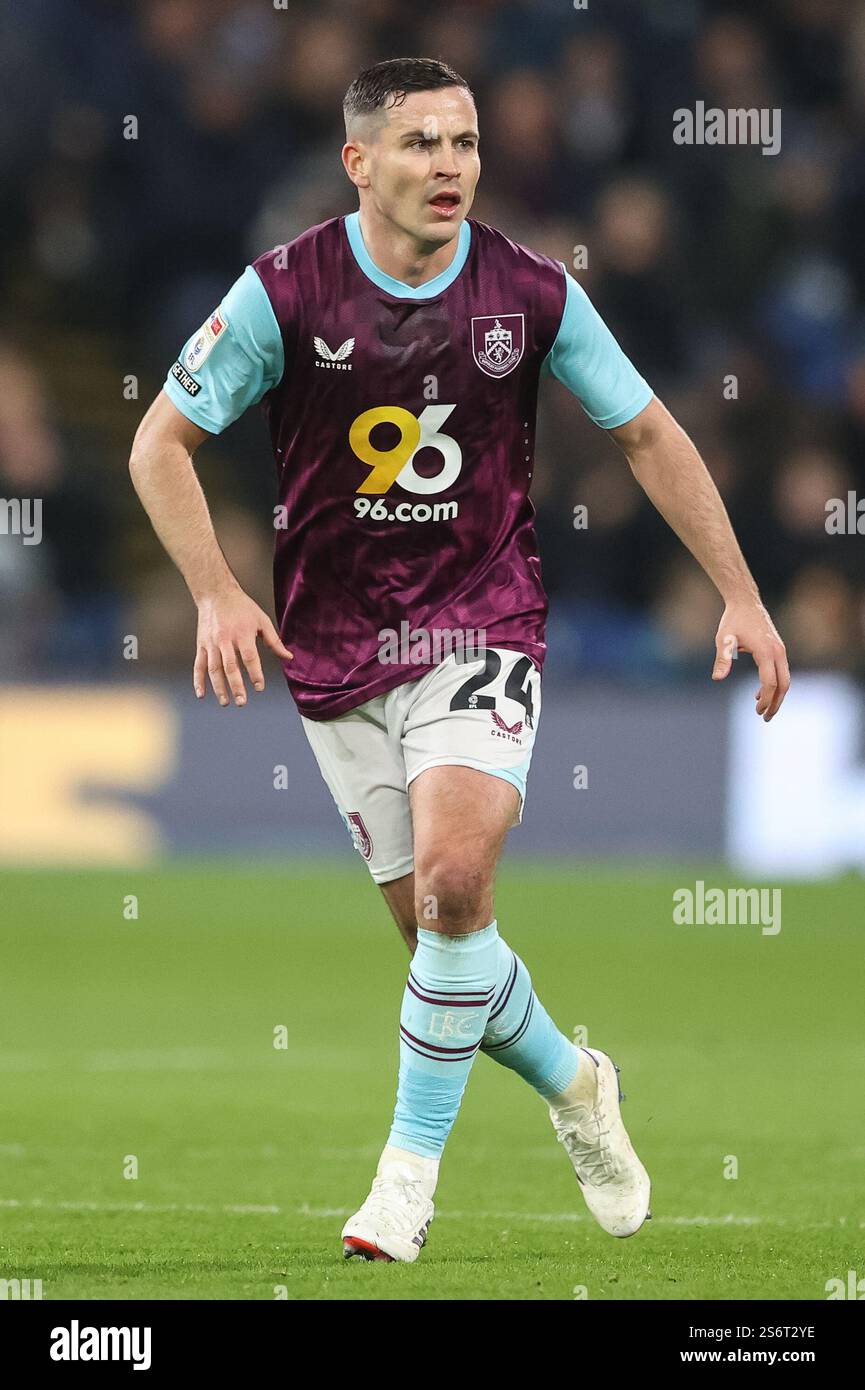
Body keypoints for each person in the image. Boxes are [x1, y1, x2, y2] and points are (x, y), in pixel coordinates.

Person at [129, 57, 790, 1264]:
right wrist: (215, 592)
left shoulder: (531, 290)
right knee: (450, 946)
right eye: (423, 144)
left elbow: (645, 428)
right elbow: (158, 443)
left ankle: (403, 1180)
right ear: (359, 162)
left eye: (467, 143)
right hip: (334, 649)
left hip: (480, 623)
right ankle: (577, 1081)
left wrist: (741, 592)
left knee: (452, 885)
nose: (451, 167)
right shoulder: (286, 292)